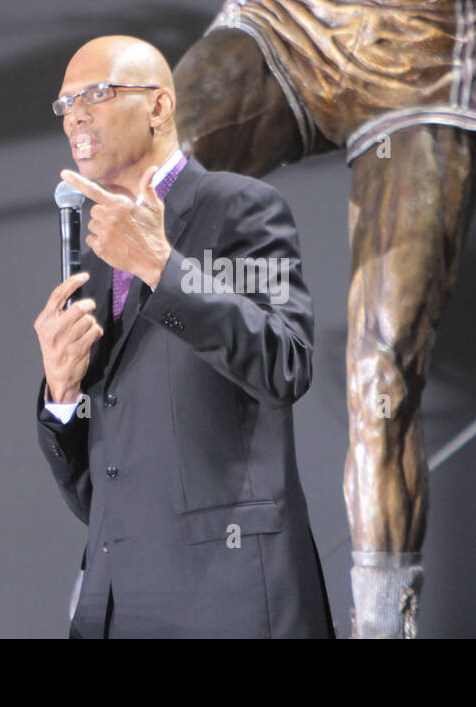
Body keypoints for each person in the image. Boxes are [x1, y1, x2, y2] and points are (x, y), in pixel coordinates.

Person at [171, 0, 476, 637]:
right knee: (152, 179)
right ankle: (120, 560)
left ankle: (385, 628)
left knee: (383, 380)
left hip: (423, 26)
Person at [32, 36, 333, 638]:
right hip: (116, 606)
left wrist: (161, 268)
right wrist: (61, 397)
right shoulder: (95, 258)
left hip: (229, 599)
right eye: (65, 104)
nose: (77, 115)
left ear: (160, 107)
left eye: (96, 93)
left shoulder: (242, 207)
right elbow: (105, 487)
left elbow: (286, 362)